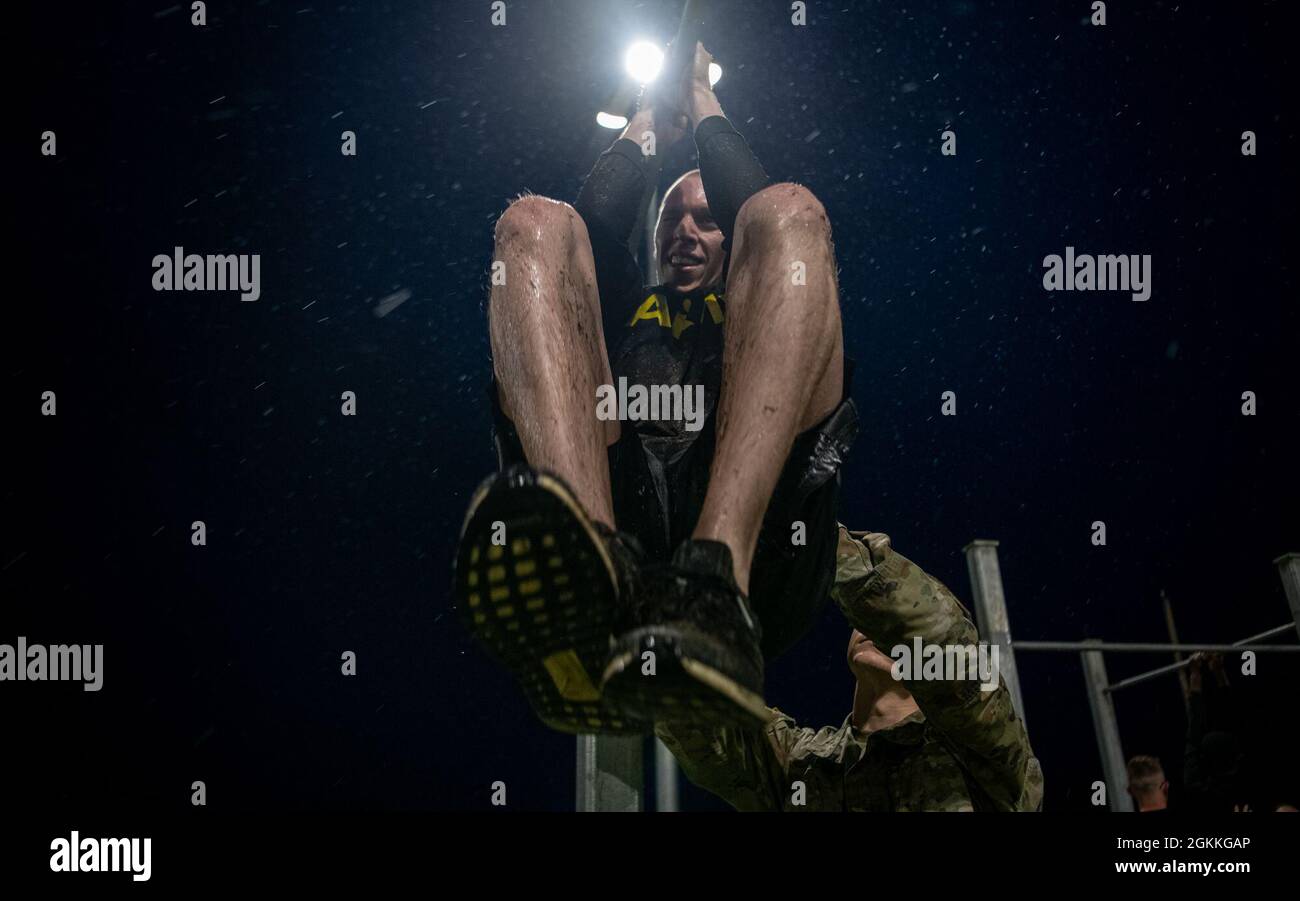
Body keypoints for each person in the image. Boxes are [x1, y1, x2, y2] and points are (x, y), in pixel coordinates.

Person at [453, 42, 858, 734]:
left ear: (732, 244)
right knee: (535, 225)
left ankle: (712, 582)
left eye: (706, 220)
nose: (687, 233)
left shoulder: (750, 293)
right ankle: (592, 571)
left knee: (790, 212)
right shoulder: (625, 309)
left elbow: (758, 211)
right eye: (672, 220)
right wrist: (647, 118)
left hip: (760, 559)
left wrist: (701, 97)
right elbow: (588, 229)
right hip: (625, 523)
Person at [655, 527, 1043, 811]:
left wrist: (810, 536)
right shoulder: (803, 764)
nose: (873, 631)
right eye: (867, 623)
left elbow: (940, 637)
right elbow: (703, 729)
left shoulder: (979, 749)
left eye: (888, 628)